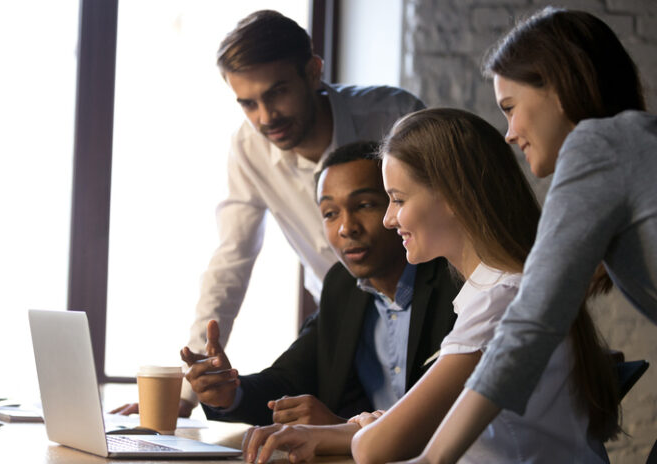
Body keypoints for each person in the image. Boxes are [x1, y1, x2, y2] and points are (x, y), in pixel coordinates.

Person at [244, 109, 620, 464]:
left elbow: (378, 447)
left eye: (397, 200)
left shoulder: (499, 302)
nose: (391, 219)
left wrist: (367, 429)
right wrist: (352, 429)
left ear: (454, 195)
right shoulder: (499, 293)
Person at [111, 10, 425, 417]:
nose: (265, 117)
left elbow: (453, 211)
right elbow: (231, 260)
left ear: (313, 71)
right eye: (248, 103)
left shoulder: (393, 116)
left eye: (276, 93)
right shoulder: (249, 148)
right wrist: (190, 392)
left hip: (422, 301)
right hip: (342, 316)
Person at [408, 8, 657, 464]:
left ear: (558, 90)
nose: (509, 133)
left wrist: (432, 459)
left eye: (510, 108)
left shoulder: (597, 146)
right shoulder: (631, 145)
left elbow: (532, 324)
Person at [181, 141, 458, 437]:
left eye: (364, 205)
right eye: (330, 213)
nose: (346, 227)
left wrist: (340, 427)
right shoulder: (343, 286)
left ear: (396, 207)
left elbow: (456, 419)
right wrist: (229, 392)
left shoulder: (453, 281)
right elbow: (288, 382)